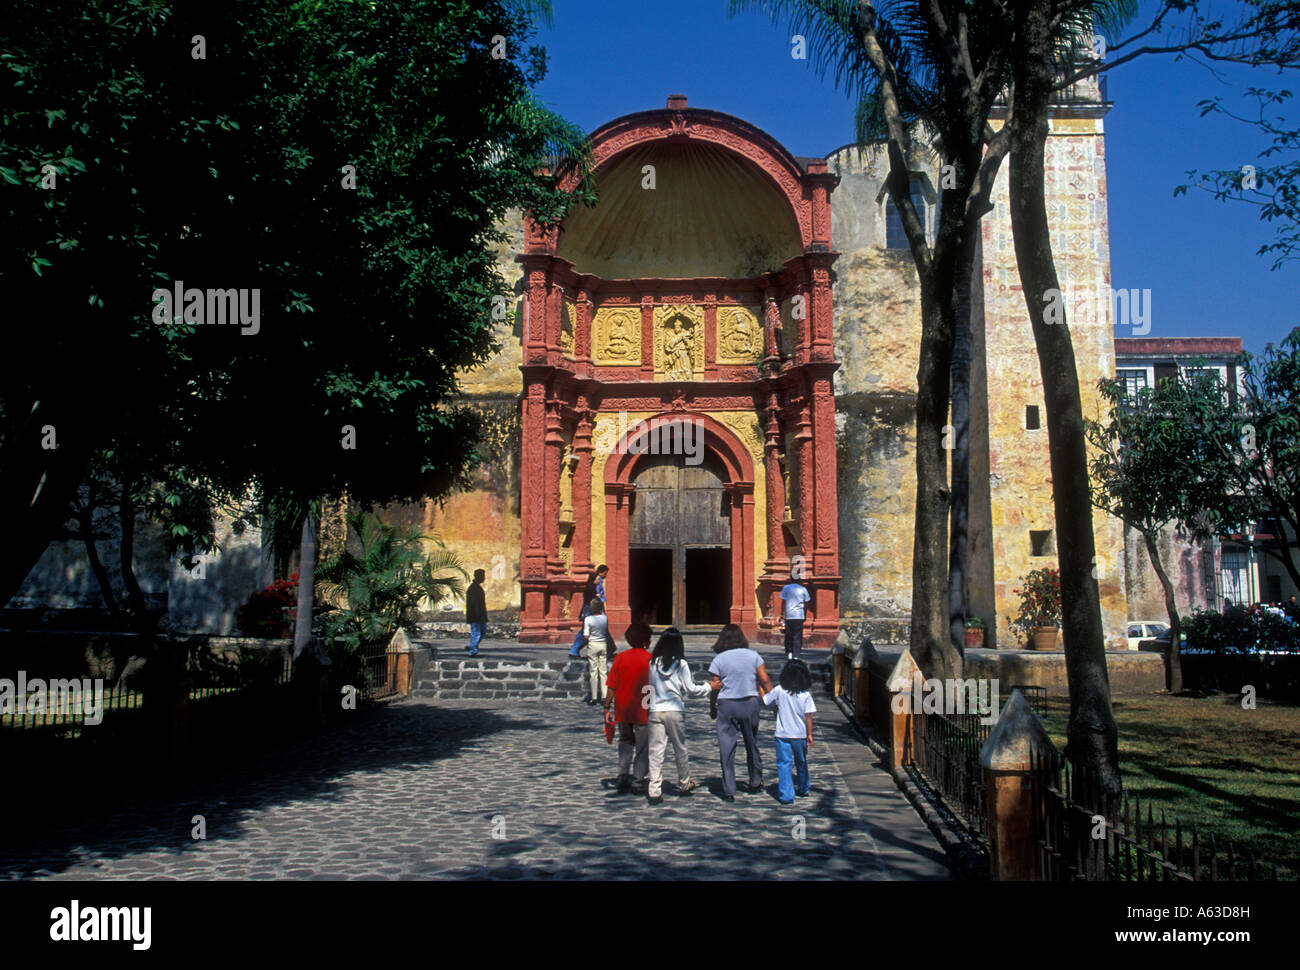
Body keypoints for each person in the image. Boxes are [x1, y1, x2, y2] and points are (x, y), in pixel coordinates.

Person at [646, 627, 711, 805]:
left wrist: (647, 707)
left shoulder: (653, 662)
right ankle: (684, 782)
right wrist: (709, 687)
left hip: (655, 709)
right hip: (674, 710)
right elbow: (690, 689)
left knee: (655, 752)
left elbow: (649, 687)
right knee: (680, 748)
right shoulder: (681, 664)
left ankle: (654, 789)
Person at [707, 624, 772, 801]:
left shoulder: (719, 659)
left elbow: (716, 687)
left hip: (727, 704)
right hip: (750, 702)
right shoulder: (754, 656)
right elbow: (765, 679)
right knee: (752, 743)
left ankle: (729, 789)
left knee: (727, 748)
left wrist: (712, 707)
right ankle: (755, 781)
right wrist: (773, 701)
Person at [604, 621, 652, 794]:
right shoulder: (650, 660)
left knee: (625, 742)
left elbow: (612, 685)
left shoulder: (620, 658)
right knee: (643, 746)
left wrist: (607, 706)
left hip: (623, 709)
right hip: (643, 710)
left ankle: (623, 774)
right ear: (647, 641)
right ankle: (638, 779)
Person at [762, 659, 816, 804]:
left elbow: (766, 701)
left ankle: (786, 794)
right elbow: (808, 716)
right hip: (800, 735)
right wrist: (810, 734)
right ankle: (804, 787)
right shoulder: (806, 695)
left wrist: (759, 687)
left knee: (784, 764)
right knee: (801, 762)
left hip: (783, 735)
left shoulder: (780, 690)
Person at [569, 565, 608, 658]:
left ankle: (607, 650)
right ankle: (574, 650)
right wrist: (596, 597)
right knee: (586, 631)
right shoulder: (591, 589)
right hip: (590, 612)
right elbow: (591, 602)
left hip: (592, 612)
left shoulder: (592, 588)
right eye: (598, 579)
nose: (599, 581)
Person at [581, 599, 611, 705]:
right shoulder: (605, 618)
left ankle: (593, 697)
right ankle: (604, 696)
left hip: (593, 644)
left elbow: (586, 635)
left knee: (593, 671)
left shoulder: (588, 619)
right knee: (603, 671)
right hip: (603, 644)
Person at [780, 574, 812, 660]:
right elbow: (807, 602)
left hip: (789, 615)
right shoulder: (803, 589)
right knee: (797, 635)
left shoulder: (786, 588)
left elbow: (783, 601)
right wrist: (804, 613)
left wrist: (782, 614)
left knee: (788, 634)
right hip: (799, 615)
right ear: (799, 580)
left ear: (790, 579)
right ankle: (796, 654)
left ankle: (789, 652)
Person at [465, 569, 487, 657]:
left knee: (482, 632)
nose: (484, 578)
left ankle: (472, 646)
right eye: (483, 576)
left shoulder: (477, 587)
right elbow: (474, 604)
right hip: (476, 615)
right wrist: (478, 615)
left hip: (480, 615)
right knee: (477, 633)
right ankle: (472, 650)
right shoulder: (473, 588)